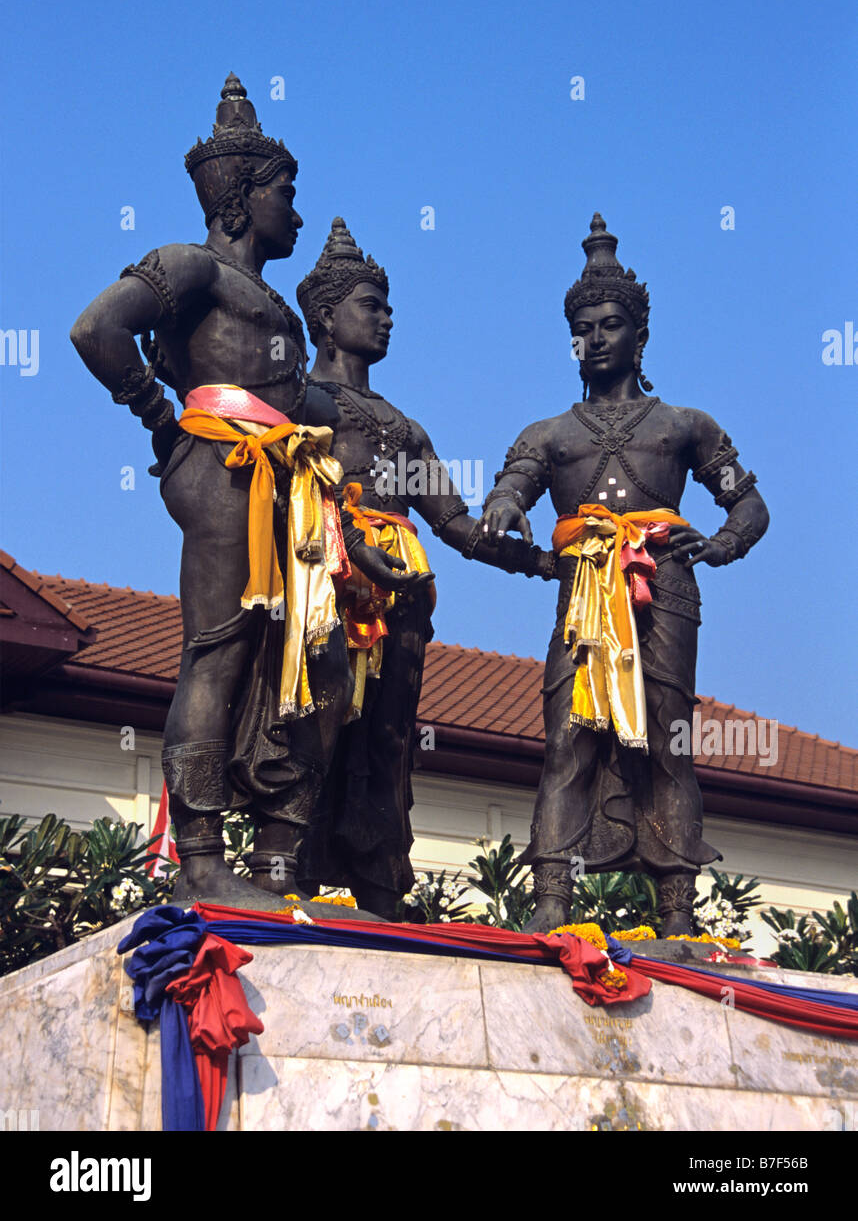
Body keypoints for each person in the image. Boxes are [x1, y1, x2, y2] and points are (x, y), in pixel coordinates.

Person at [70, 78, 421, 908]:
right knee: (222, 648)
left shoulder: (273, 308)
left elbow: (316, 413)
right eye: (284, 194)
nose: (295, 213)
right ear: (237, 198)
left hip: (293, 489)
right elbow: (97, 329)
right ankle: (200, 859)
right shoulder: (189, 266)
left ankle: (276, 856)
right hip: (223, 467)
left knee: (319, 661)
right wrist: (161, 412)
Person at [480, 214, 769, 934]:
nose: (598, 338)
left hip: (663, 588)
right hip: (584, 594)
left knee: (669, 740)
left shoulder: (684, 425)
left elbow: (751, 504)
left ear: (640, 334)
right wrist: (507, 511)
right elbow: (508, 490)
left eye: (612, 324)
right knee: (568, 738)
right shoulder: (549, 434)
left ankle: (676, 912)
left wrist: (725, 542)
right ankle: (552, 902)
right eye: (585, 328)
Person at [295, 218, 551, 918]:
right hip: (326, 578)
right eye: (369, 305)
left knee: (388, 733)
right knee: (318, 713)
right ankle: (287, 862)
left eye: (387, 305)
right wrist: (345, 544)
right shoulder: (301, 401)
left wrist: (538, 559)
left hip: (402, 594)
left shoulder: (403, 428)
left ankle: (379, 874)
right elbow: (286, 491)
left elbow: (459, 525)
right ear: (324, 316)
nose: (386, 317)